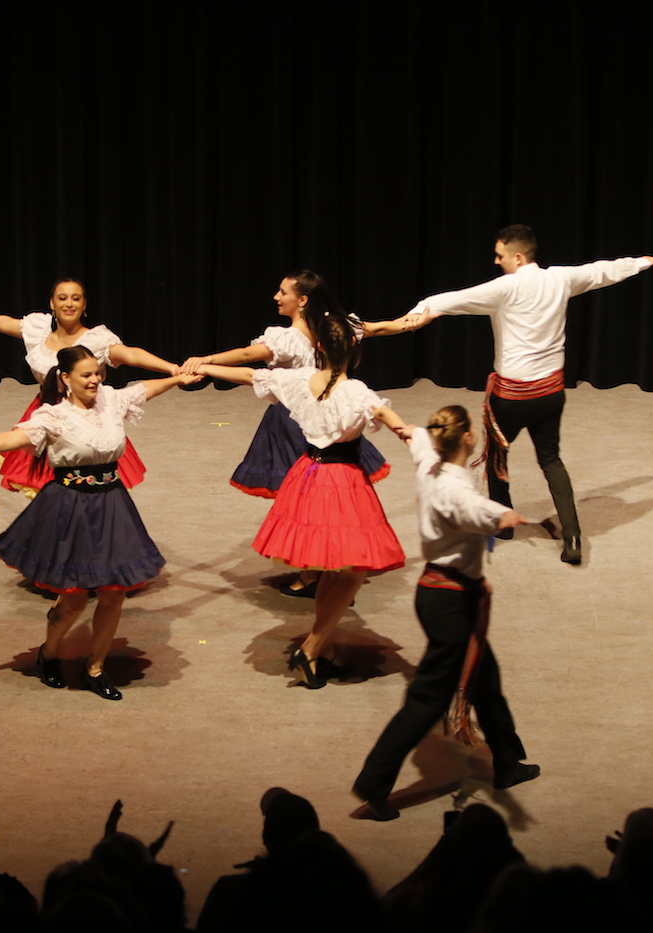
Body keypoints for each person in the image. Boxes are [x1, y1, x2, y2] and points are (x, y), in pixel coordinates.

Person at [0, 348, 202, 700]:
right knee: (74, 600)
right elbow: (11, 439)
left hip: (112, 504)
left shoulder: (110, 400)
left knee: (114, 594)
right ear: (65, 379)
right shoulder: (53, 417)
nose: (95, 379)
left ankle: (95, 668)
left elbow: (145, 390)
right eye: (86, 375)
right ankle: (49, 653)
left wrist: (177, 379)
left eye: (97, 372)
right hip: (70, 507)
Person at [411, 225, 653, 564]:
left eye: (500, 255)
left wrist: (419, 311)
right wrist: (640, 262)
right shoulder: (560, 278)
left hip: (512, 399)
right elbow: (601, 272)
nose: (496, 261)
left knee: (497, 457)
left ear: (518, 256)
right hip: (550, 394)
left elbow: (457, 299)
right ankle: (572, 536)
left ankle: (503, 526)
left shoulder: (506, 286)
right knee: (551, 459)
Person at [199, 299, 407, 689]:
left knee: (334, 566)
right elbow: (381, 413)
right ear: (354, 352)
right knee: (353, 568)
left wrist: (202, 366)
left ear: (322, 349)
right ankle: (312, 647)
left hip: (308, 476)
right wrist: (406, 431)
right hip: (341, 481)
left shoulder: (298, 381)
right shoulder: (356, 390)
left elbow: (248, 375)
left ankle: (321, 647)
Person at [180, 271, 427, 599]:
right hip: (336, 416)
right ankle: (327, 569)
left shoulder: (291, 342)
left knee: (306, 498)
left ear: (303, 300)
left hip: (296, 417)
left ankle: (313, 574)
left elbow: (245, 361)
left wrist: (205, 362)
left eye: (283, 292)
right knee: (329, 499)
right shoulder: (337, 333)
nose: (276, 297)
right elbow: (382, 330)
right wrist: (416, 320)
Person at [351, 404, 537, 821]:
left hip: (444, 594)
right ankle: (374, 782)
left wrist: (387, 414)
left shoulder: (430, 459)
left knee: (486, 679)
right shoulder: (455, 488)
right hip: (449, 602)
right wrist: (506, 515)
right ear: (468, 438)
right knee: (426, 700)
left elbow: (412, 435)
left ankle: (507, 762)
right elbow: (474, 510)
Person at [0, 277, 176, 496]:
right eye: (62, 298)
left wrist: (171, 368)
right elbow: (6, 323)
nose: (69, 304)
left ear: (84, 304)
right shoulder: (39, 330)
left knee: (86, 479)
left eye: (76, 299)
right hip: (49, 412)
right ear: (52, 303)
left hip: (85, 414)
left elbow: (131, 354)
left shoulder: (96, 339)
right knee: (47, 485)